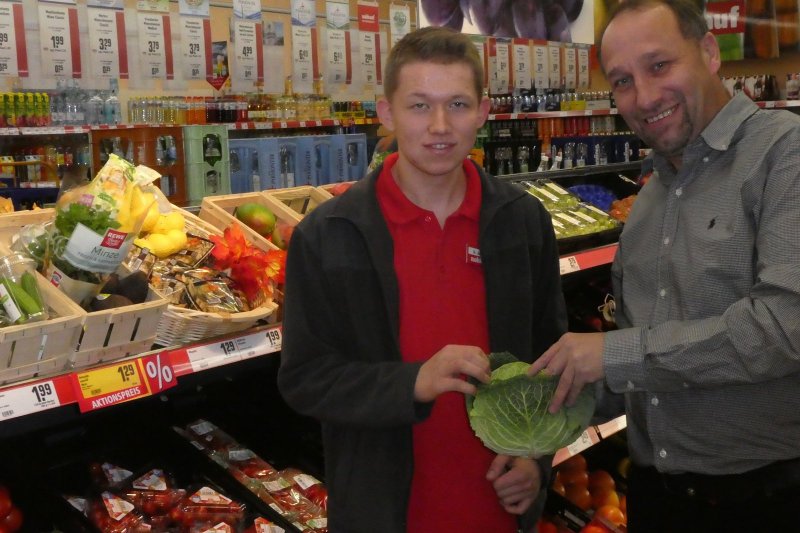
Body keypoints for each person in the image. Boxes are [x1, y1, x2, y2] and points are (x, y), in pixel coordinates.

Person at [278, 26, 567, 532]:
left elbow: (549, 362)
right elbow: (306, 379)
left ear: (482, 111)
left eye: (457, 104)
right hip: (382, 514)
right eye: (419, 106)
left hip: (498, 512)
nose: (440, 126)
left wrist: (535, 459)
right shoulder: (330, 235)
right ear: (386, 113)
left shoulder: (522, 223)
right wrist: (413, 382)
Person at [528, 0, 800, 531]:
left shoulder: (783, 156)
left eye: (659, 66)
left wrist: (612, 353)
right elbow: (638, 366)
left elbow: (784, 327)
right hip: (659, 498)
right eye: (623, 80)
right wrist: (535, 433)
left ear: (708, 52)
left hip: (766, 499)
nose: (645, 97)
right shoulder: (650, 201)